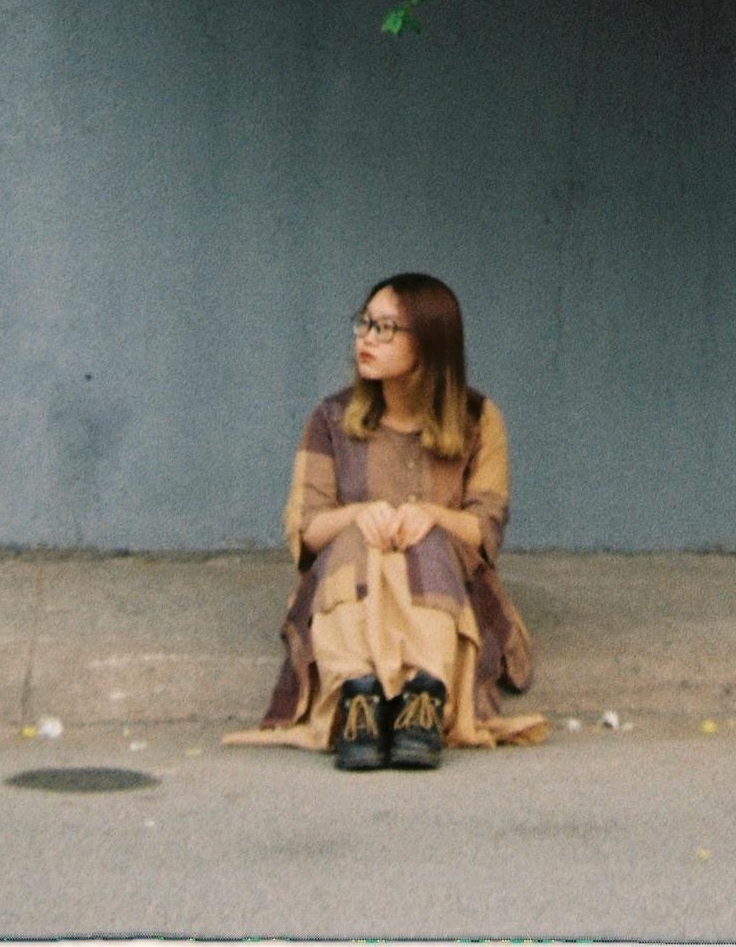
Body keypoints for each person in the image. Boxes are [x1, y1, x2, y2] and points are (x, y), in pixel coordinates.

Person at [224, 273, 547, 765]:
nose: (365, 338)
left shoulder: (479, 418)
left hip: (450, 592)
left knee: (429, 542)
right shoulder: (331, 418)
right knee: (356, 541)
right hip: (350, 582)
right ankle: (358, 694)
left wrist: (429, 516)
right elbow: (308, 529)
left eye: (385, 328)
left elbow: (486, 529)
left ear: (430, 343)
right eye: (364, 323)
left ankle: (423, 694)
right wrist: (360, 514)